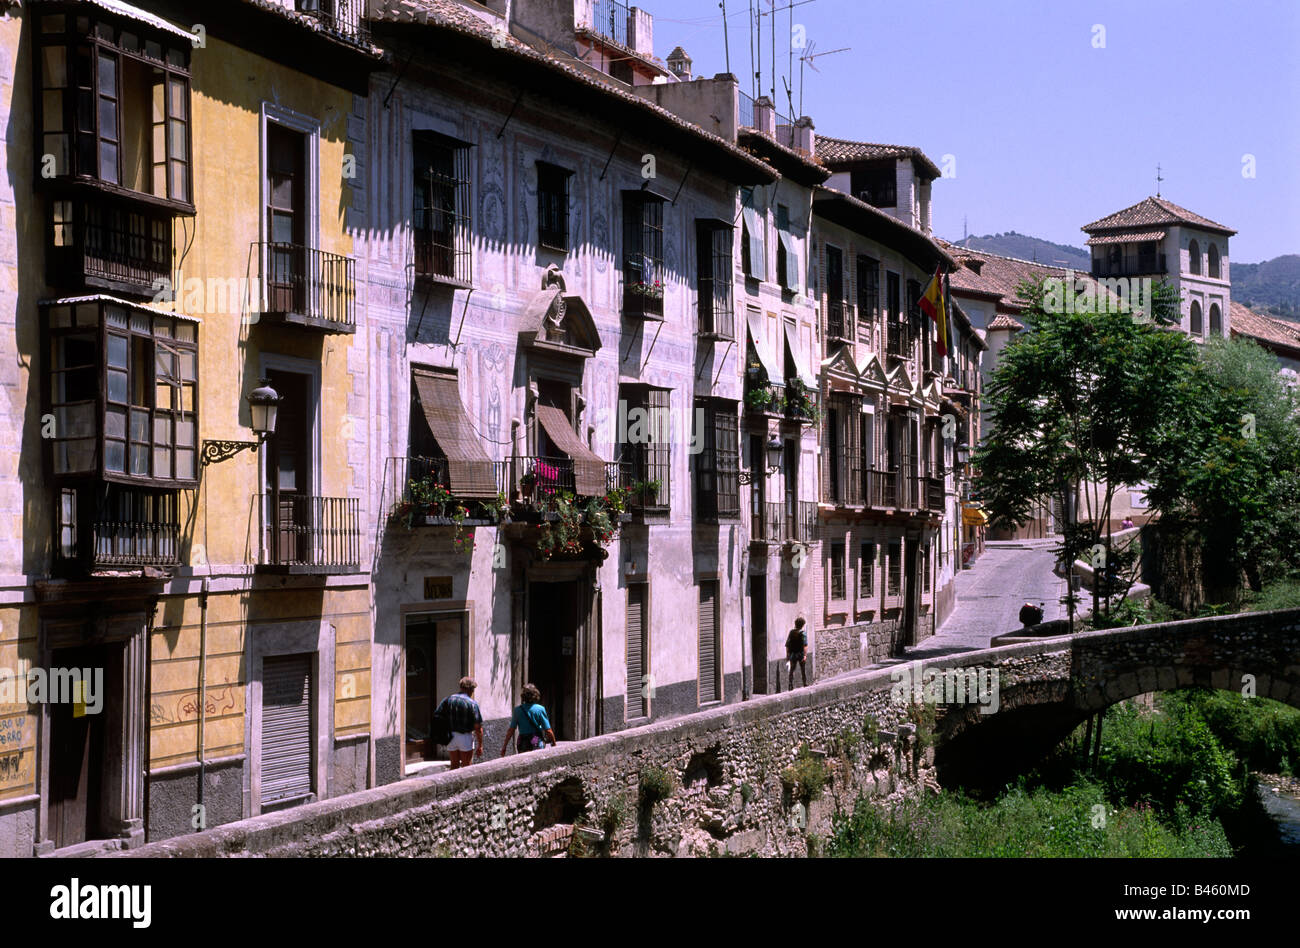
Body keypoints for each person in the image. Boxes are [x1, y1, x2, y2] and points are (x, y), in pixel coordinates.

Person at [434, 676, 483, 770]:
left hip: (450, 736)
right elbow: (477, 727)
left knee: (454, 765)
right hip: (465, 736)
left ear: (461, 687)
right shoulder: (472, 703)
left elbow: (437, 717)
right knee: (467, 766)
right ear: (471, 689)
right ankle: (467, 785)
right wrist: (480, 745)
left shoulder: (447, 699)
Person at [500, 683, 556, 756]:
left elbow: (511, 730)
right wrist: (554, 743)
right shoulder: (540, 709)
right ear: (536, 695)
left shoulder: (517, 710)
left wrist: (504, 746)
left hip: (522, 742)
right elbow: (548, 730)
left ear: (523, 696)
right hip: (536, 740)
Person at [785, 617, 809, 689]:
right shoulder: (803, 633)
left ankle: (790, 684)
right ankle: (804, 683)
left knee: (792, 669)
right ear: (802, 625)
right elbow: (805, 645)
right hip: (800, 653)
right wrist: (805, 655)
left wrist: (788, 654)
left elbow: (787, 644)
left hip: (793, 653)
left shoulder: (791, 632)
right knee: (803, 669)